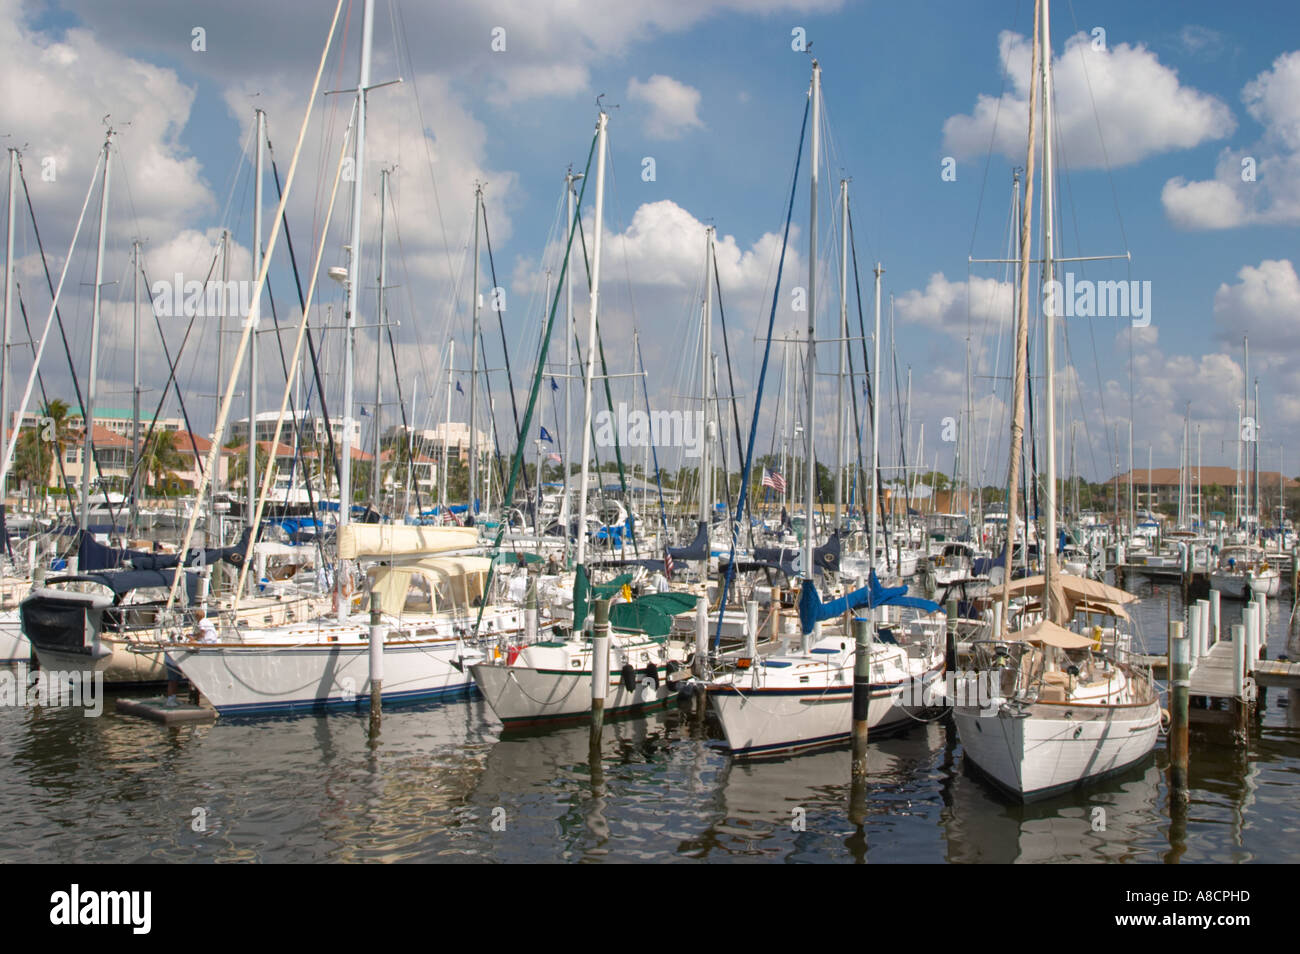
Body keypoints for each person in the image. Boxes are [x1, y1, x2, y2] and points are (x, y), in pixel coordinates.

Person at [164, 609, 217, 707]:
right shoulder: (206, 621)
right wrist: (193, 638)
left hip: (175, 658)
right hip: (173, 659)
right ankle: (171, 699)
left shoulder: (202, 622)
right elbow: (201, 634)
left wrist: (193, 638)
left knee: (174, 680)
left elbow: (202, 634)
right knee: (174, 680)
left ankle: (172, 699)